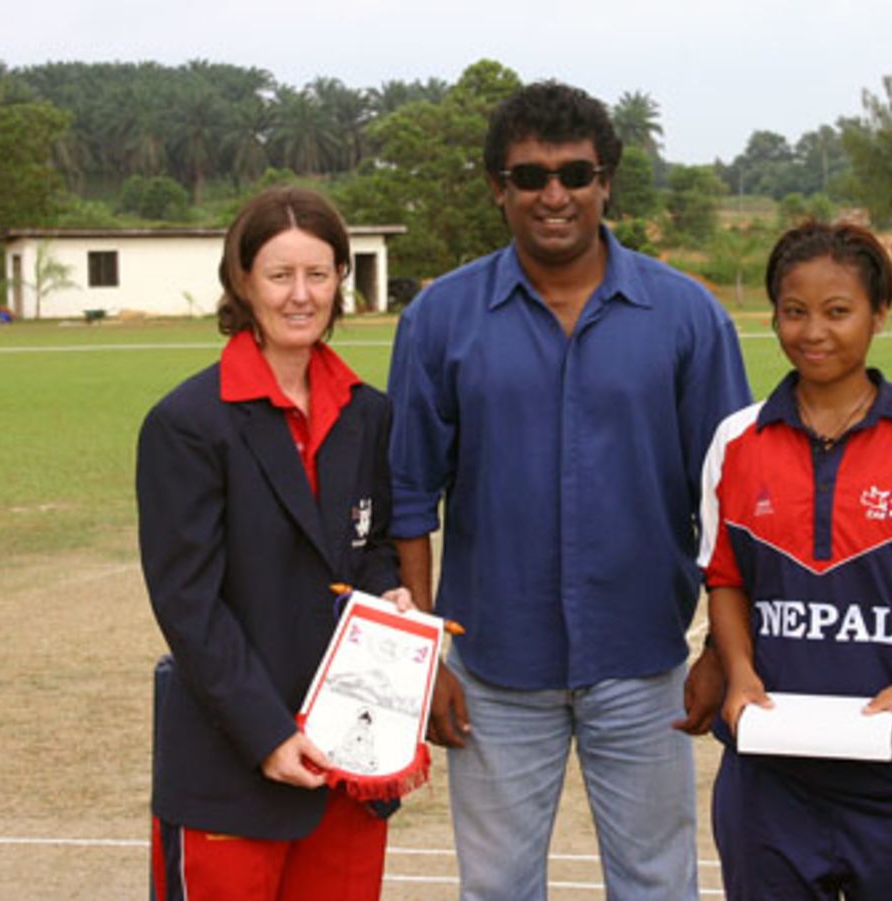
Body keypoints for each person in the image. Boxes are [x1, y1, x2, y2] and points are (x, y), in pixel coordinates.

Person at [387, 81, 752, 900]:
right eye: (529, 176)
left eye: (575, 173)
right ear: (498, 188)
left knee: (657, 883)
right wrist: (423, 662)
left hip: (645, 663)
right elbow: (411, 496)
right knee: (497, 887)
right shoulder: (439, 318)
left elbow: (735, 501)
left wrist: (723, 651)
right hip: (491, 669)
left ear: (605, 181)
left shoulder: (687, 316)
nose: (554, 195)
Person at [698, 221, 892, 899]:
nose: (814, 332)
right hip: (768, 785)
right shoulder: (736, 440)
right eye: (794, 311)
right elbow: (725, 581)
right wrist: (740, 675)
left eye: (838, 312)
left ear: (878, 314)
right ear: (773, 312)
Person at [137, 186, 411, 901]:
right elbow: (188, 604)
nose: (301, 295)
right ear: (242, 282)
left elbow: (370, 542)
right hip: (231, 766)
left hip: (349, 770)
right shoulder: (187, 423)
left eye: (318, 274)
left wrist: (390, 595)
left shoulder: (369, 411)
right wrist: (266, 733)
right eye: (279, 275)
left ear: (341, 281)